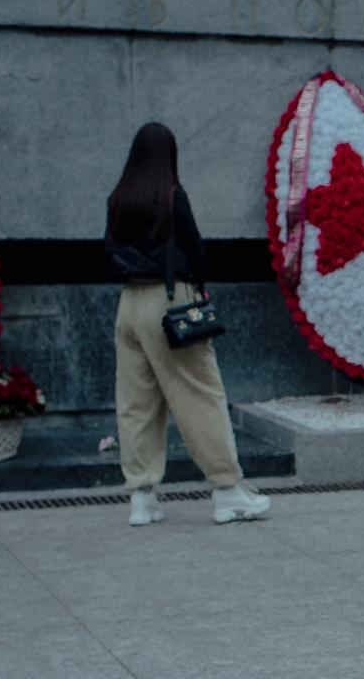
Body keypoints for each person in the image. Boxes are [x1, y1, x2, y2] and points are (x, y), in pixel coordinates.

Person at [104, 121, 269, 526]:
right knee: (199, 395)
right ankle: (227, 491)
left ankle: (141, 498)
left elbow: (107, 251)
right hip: (171, 299)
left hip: (129, 304)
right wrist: (200, 288)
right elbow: (195, 250)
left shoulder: (118, 198)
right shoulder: (173, 196)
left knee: (135, 403)